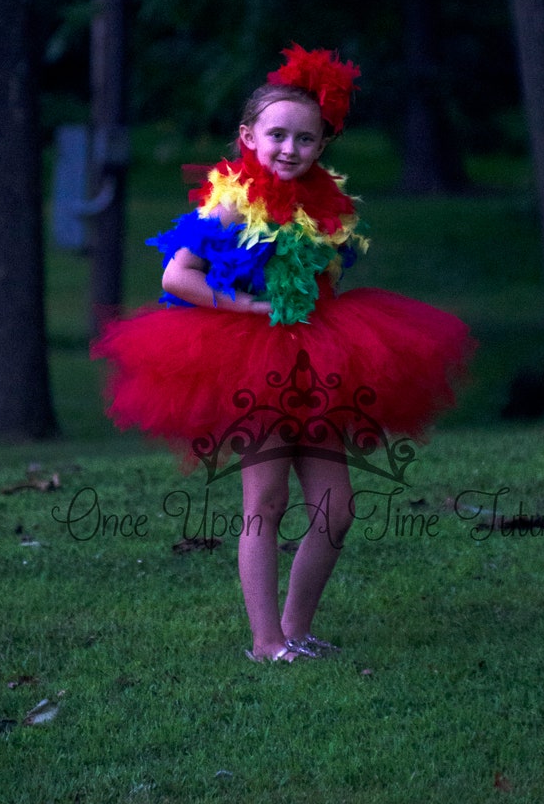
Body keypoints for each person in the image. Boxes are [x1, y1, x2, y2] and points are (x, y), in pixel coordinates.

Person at [93, 44, 475, 662]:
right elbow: (176, 277)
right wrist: (256, 310)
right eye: (277, 135)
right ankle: (265, 640)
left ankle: (296, 629)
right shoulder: (230, 200)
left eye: (304, 138)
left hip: (319, 359)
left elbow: (324, 280)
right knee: (265, 502)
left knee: (338, 508)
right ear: (249, 136)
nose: (289, 149)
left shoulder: (325, 206)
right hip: (250, 356)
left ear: (322, 145)